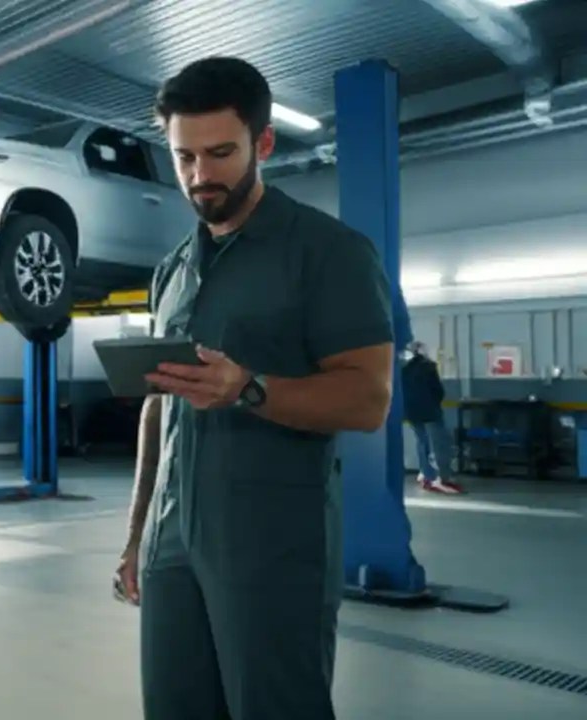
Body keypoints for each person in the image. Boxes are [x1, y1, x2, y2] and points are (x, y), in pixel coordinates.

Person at [113, 56, 395, 720]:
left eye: (220, 153)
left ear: (262, 143)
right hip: (172, 543)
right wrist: (138, 534)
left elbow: (368, 399)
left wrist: (248, 389)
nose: (200, 176)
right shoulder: (173, 269)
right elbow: (159, 404)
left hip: (274, 545)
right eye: (184, 157)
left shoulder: (328, 252)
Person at [402, 341, 463, 494]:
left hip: (411, 412)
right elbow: (438, 390)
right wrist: (435, 403)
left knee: (422, 442)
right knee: (438, 444)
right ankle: (439, 478)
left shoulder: (402, 368)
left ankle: (425, 473)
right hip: (430, 411)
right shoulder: (427, 366)